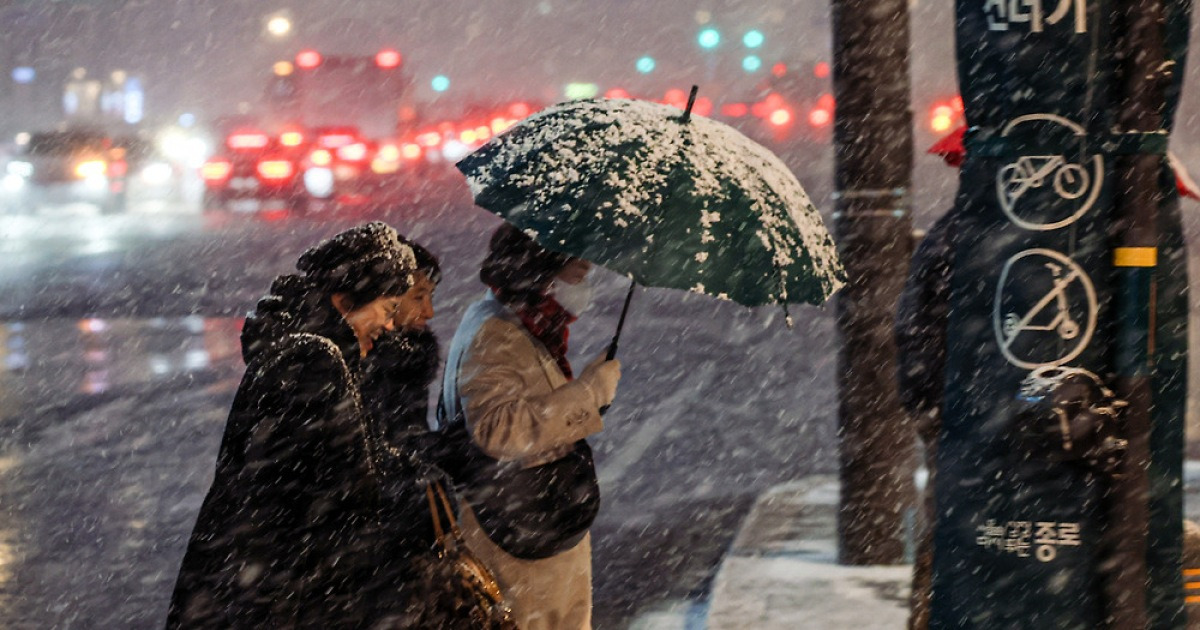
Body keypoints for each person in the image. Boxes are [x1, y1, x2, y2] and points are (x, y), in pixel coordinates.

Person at [167, 222, 431, 628]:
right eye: (387, 309)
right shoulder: (314, 359)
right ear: (344, 302)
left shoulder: (312, 352)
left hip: (263, 590)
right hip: (283, 599)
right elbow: (334, 493)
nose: (391, 325)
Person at [439, 223, 622, 630]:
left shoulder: (524, 325)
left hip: (534, 523)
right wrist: (588, 394)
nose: (584, 282)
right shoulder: (495, 332)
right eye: (578, 271)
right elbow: (497, 428)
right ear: (542, 271)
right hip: (515, 530)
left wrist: (584, 392)